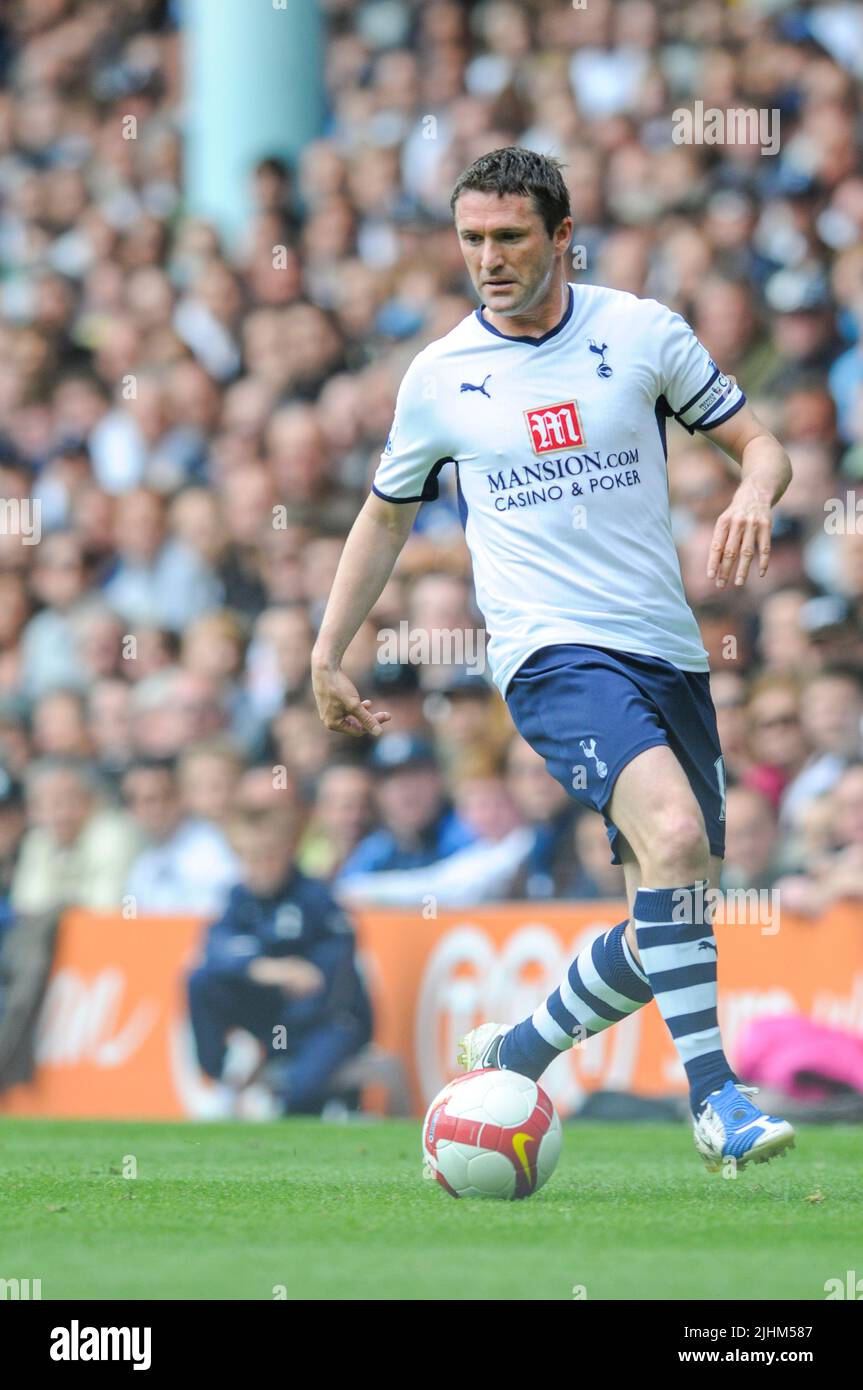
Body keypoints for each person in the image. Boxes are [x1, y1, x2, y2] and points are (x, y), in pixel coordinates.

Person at [312, 146, 796, 1171]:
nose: (487, 258)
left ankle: (518, 1048)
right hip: (548, 656)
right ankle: (716, 1102)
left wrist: (754, 489)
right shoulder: (440, 376)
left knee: (673, 900)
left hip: (666, 655)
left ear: (561, 237)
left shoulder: (639, 332)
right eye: (471, 239)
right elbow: (382, 519)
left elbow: (762, 443)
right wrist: (327, 651)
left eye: (509, 238)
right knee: (669, 833)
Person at [186, 773, 372, 1117]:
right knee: (200, 981)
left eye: (268, 855)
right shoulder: (238, 897)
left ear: (288, 850)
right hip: (275, 1018)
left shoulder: (315, 898)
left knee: (297, 1095)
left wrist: (296, 990)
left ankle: (332, 1103)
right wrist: (267, 969)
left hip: (327, 1021)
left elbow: (332, 977)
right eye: (250, 856)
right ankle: (222, 1076)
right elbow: (214, 951)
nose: (259, 866)